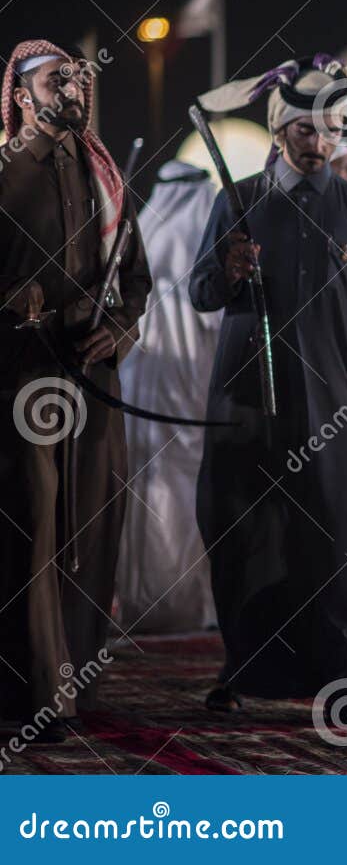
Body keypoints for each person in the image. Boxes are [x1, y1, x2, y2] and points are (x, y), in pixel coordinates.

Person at [190, 56, 347, 712]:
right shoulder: (238, 201)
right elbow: (200, 293)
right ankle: (252, 672)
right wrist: (228, 268)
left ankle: (339, 674)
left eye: (334, 131)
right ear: (280, 130)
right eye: (307, 132)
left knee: (333, 543)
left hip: (334, 407)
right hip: (246, 402)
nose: (321, 145)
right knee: (246, 539)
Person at [0, 41, 151, 741]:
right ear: (22, 93)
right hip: (19, 371)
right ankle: (40, 694)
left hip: (93, 373)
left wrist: (119, 329)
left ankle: (77, 678)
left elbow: (138, 280)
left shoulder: (104, 174)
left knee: (91, 525)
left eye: (79, 76)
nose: (75, 85)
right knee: (34, 524)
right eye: (58, 77)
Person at [116, 161, 221, 634]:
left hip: (141, 378)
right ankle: (191, 604)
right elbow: (214, 319)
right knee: (190, 488)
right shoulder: (201, 230)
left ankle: (148, 601)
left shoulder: (145, 230)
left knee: (149, 486)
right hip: (190, 380)